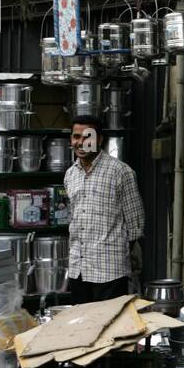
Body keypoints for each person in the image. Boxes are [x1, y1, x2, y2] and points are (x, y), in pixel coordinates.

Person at [64, 117, 145, 304]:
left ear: (99, 140)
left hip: (110, 269)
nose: (81, 142)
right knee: (83, 326)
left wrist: (124, 256)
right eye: (76, 137)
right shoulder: (70, 174)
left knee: (110, 328)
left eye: (87, 137)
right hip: (79, 268)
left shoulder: (120, 172)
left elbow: (136, 223)